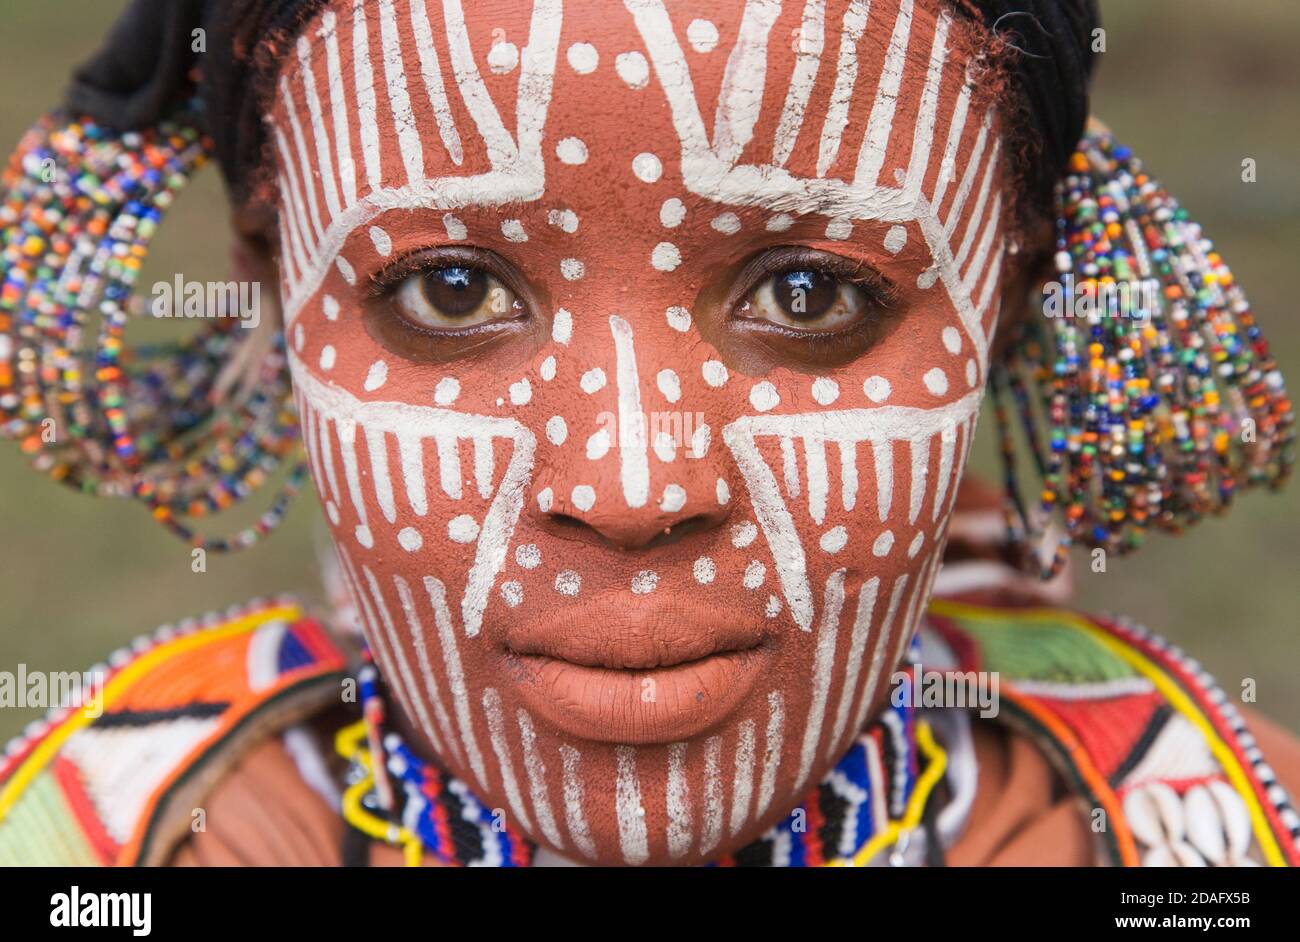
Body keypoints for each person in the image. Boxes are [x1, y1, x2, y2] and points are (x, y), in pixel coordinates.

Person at [0, 0, 1296, 868]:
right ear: (279, 296)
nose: (630, 485)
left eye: (812, 293)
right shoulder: (100, 844)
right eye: (450, 290)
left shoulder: (1213, 836)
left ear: (1002, 304)